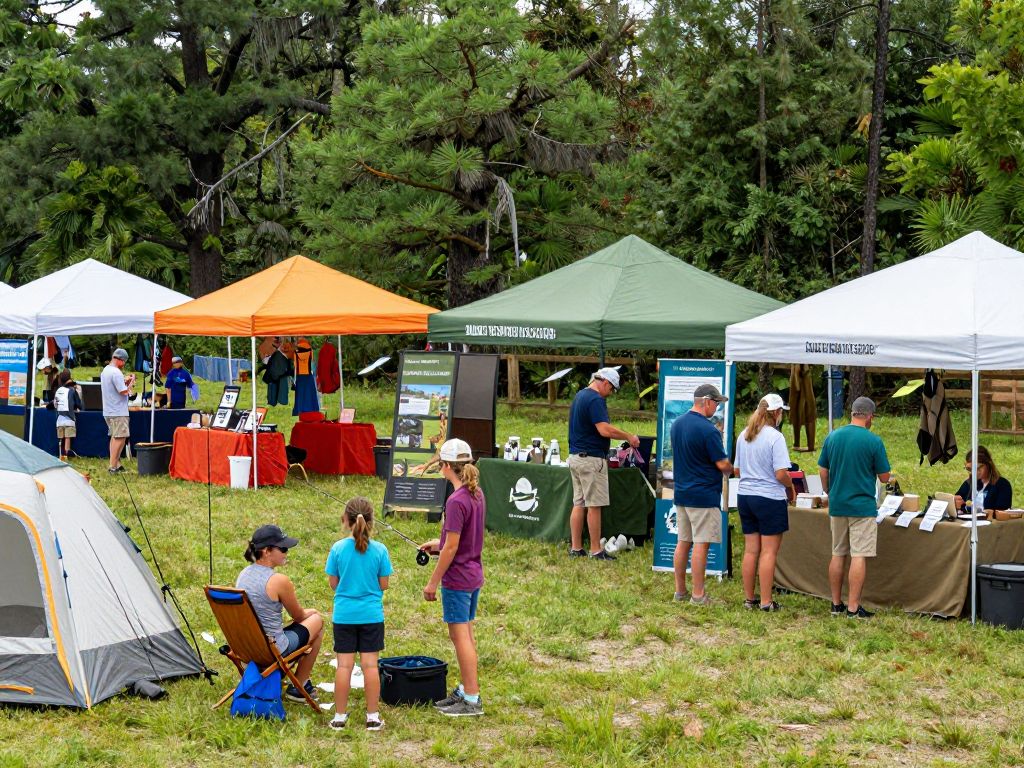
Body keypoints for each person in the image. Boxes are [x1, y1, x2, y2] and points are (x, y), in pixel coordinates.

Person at [420, 439, 486, 717]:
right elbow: (457, 538)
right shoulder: (476, 493)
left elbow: (452, 547)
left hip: (458, 579)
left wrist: (433, 581)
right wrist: (438, 542)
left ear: (446, 467)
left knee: (461, 638)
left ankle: (471, 699)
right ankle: (466, 688)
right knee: (466, 636)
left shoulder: (456, 499)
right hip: (473, 574)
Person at [818, 396, 890, 619]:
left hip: (838, 504)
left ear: (852, 413)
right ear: (870, 416)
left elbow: (822, 469)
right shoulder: (873, 441)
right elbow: (885, 477)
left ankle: (836, 604)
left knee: (838, 553)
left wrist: (829, 491)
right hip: (862, 506)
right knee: (859, 555)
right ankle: (853, 607)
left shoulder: (833, 436)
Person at [236, 524, 325, 703]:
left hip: (245, 649)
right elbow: (299, 616)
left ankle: (274, 676)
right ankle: (299, 685)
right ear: (267, 551)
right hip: (272, 649)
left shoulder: (243, 574)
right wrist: (312, 611)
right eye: (283, 548)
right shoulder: (278, 580)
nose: (286, 552)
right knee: (317, 622)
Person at [325, 498, 392, 731]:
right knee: (370, 666)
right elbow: (383, 585)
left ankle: (340, 717)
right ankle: (372, 716)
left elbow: (333, 583)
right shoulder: (380, 550)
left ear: (346, 520)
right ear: (372, 521)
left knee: (344, 666)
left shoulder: (337, 549)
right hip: (371, 616)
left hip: (344, 615)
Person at [566, 368, 640, 560]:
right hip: (591, 459)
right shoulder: (596, 399)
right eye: (612, 389)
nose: (611, 394)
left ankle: (576, 547)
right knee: (594, 505)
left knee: (578, 503)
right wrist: (628, 436)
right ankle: (596, 550)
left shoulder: (580, 395)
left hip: (575, 457)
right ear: (605, 382)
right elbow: (604, 429)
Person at [672, 383, 733, 605]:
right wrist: (734, 470)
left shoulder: (677, 424)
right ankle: (698, 595)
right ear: (707, 401)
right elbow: (722, 464)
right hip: (704, 495)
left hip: (682, 493)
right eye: (716, 403)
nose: (717, 408)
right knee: (701, 544)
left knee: (683, 542)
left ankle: (680, 592)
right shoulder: (709, 430)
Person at [734, 394, 795, 612]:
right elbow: (781, 474)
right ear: (777, 413)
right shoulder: (775, 437)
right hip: (769, 497)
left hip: (745, 496)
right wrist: (791, 486)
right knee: (768, 552)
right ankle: (766, 602)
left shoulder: (745, 434)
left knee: (751, 550)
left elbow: (737, 470)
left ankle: (749, 599)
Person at [100, 348, 135, 473]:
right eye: (124, 361)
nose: (124, 364)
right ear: (120, 360)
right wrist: (131, 383)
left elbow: (115, 387)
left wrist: (124, 381)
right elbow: (123, 391)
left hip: (109, 410)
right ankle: (113, 466)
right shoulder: (116, 372)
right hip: (118, 411)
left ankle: (117, 464)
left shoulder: (105, 371)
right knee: (120, 437)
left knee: (115, 437)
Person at [955, 446, 1012, 513]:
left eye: (978, 468)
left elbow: (1002, 511)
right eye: (970, 469)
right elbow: (956, 500)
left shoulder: (1002, 485)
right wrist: (956, 502)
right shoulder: (969, 483)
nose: (974, 472)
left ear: (988, 464)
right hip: (967, 522)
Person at [52, 369, 83, 461]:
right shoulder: (72, 390)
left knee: (61, 438)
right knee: (68, 438)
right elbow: (79, 404)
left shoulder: (58, 390)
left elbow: (54, 404)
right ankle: (66, 454)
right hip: (70, 419)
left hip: (59, 419)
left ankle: (61, 454)